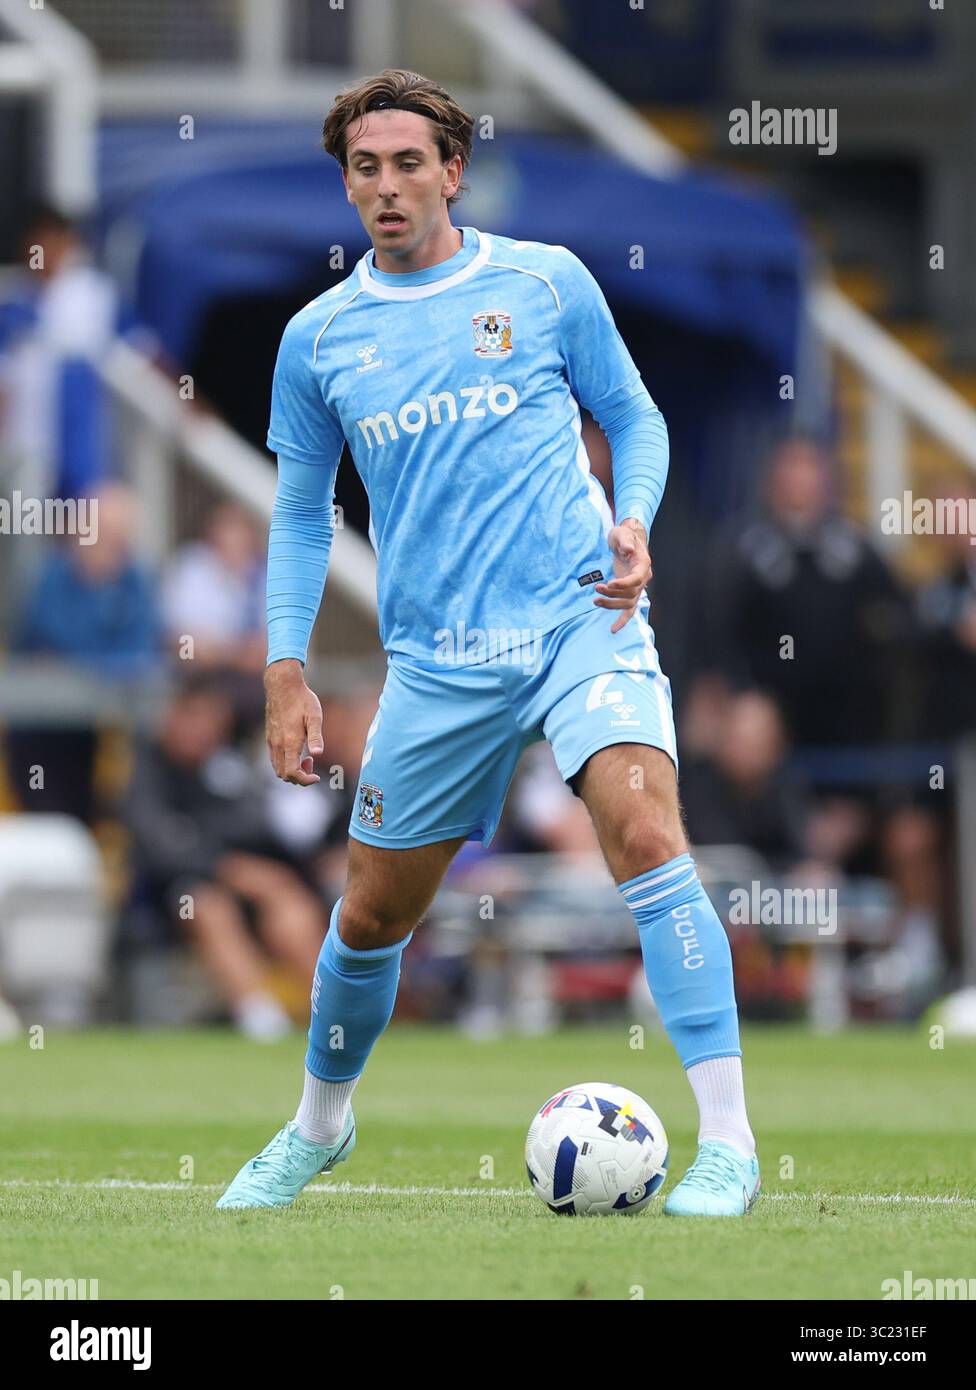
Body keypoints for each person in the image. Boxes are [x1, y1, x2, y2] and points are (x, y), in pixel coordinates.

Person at [217, 68, 760, 1216]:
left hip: (580, 615)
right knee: (369, 916)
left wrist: (633, 522)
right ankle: (320, 1125)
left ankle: (730, 1144)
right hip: (438, 661)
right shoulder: (319, 341)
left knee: (643, 824)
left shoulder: (544, 283)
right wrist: (284, 667)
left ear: (453, 170)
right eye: (365, 168)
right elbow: (301, 511)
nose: (387, 186)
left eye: (409, 163)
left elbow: (636, 416)